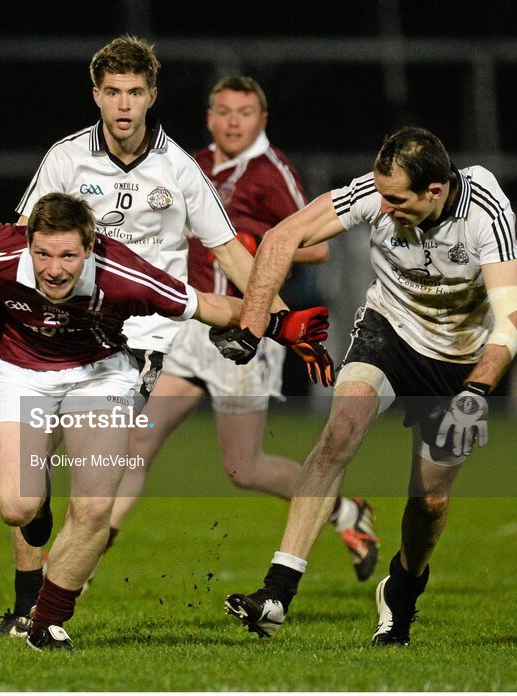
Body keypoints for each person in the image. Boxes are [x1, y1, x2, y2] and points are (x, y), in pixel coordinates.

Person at [0, 35, 332, 638]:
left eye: (134, 93)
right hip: (48, 327)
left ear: (153, 96)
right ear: (96, 95)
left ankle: (44, 612)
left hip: (136, 343)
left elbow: (230, 253)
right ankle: (27, 598)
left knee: (100, 488)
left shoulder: (179, 168)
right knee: (27, 485)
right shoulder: (67, 159)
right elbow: (20, 244)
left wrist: (280, 321)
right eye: (112, 93)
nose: (123, 105)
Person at [0, 192, 331, 650]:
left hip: (99, 376)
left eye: (68, 255)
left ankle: (47, 622)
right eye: (43, 253)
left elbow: (210, 306)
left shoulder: (124, 274)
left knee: (93, 507)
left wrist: (281, 326)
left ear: (89, 247)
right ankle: (38, 497)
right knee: (16, 508)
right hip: (19, 372)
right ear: (28, 243)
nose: (54, 269)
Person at [220, 126, 517, 645]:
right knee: (340, 431)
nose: (382, 208)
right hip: (390, 330)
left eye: (396, 199)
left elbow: (512, 321)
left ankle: (401, 591)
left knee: (429, 504)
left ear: (436, 191)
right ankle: (276, 592)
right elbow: (282, 236)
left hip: (459, 361)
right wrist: (253, 325)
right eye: (381, 194)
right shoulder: (375, 192)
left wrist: (474, 393)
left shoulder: (485, 215)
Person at [109, 75, 380, 582]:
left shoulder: (270, 171)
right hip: (191, 324)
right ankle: (95, 545)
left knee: (244, 468)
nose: (234, 121)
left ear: (262, 120)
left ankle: (346, 509)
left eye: (245, 112)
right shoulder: (191, 165)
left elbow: (317, 246)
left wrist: (253, 241)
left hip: (246, 332)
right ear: (210, 118)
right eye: (225, 111)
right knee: (138, 442)